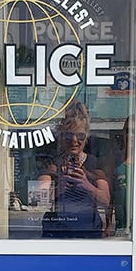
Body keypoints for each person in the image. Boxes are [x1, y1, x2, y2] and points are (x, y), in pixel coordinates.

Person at [39, 101, 111, 238]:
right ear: (61, 136)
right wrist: (60, 187)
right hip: (56, 231)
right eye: (68, 135)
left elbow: (105, 201)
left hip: (89, 231)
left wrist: (86, 184)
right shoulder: (53, 165)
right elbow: (38, 199)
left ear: (87, 137)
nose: (74, 140)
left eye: (80, 136)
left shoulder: (95, 165)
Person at [113, 115, 134, 235]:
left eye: (134, 131)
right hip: (119, 227)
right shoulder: (115, 160)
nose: (130, 136)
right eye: (127, 131)